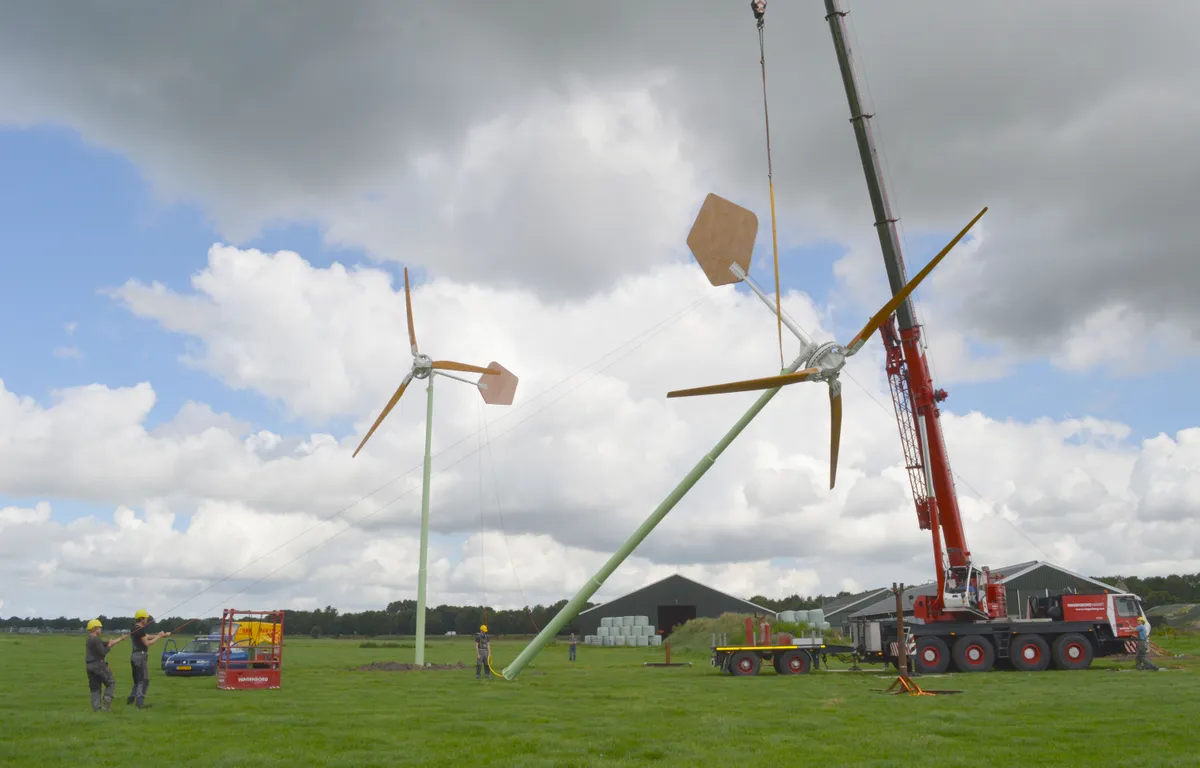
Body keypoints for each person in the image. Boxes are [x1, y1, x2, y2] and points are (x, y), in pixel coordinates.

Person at [126, 609, 170, 709]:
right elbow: (148, 643)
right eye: (146, 618)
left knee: (137, 680)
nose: (147, 619)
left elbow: (146, 636)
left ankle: (130, 699)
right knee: (144, 680)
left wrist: (161, 636)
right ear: (141, 618)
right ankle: (139, 703)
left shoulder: (134, 628)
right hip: (140, 656)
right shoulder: (140, 629)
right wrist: (158, 636)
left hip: (134, 656)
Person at [85, 618, 124, 712]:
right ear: (95, 628)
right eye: (99, 628)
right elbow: (103, 652)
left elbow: (106, 644)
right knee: (110, 683)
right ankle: (106, 706)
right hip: (98, 665)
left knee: (95, 687)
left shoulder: (90, 639)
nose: (101, 630)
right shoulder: (96, 639)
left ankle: (96, 709)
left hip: (89, 666)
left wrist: (120, 638)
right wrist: (109, 646)